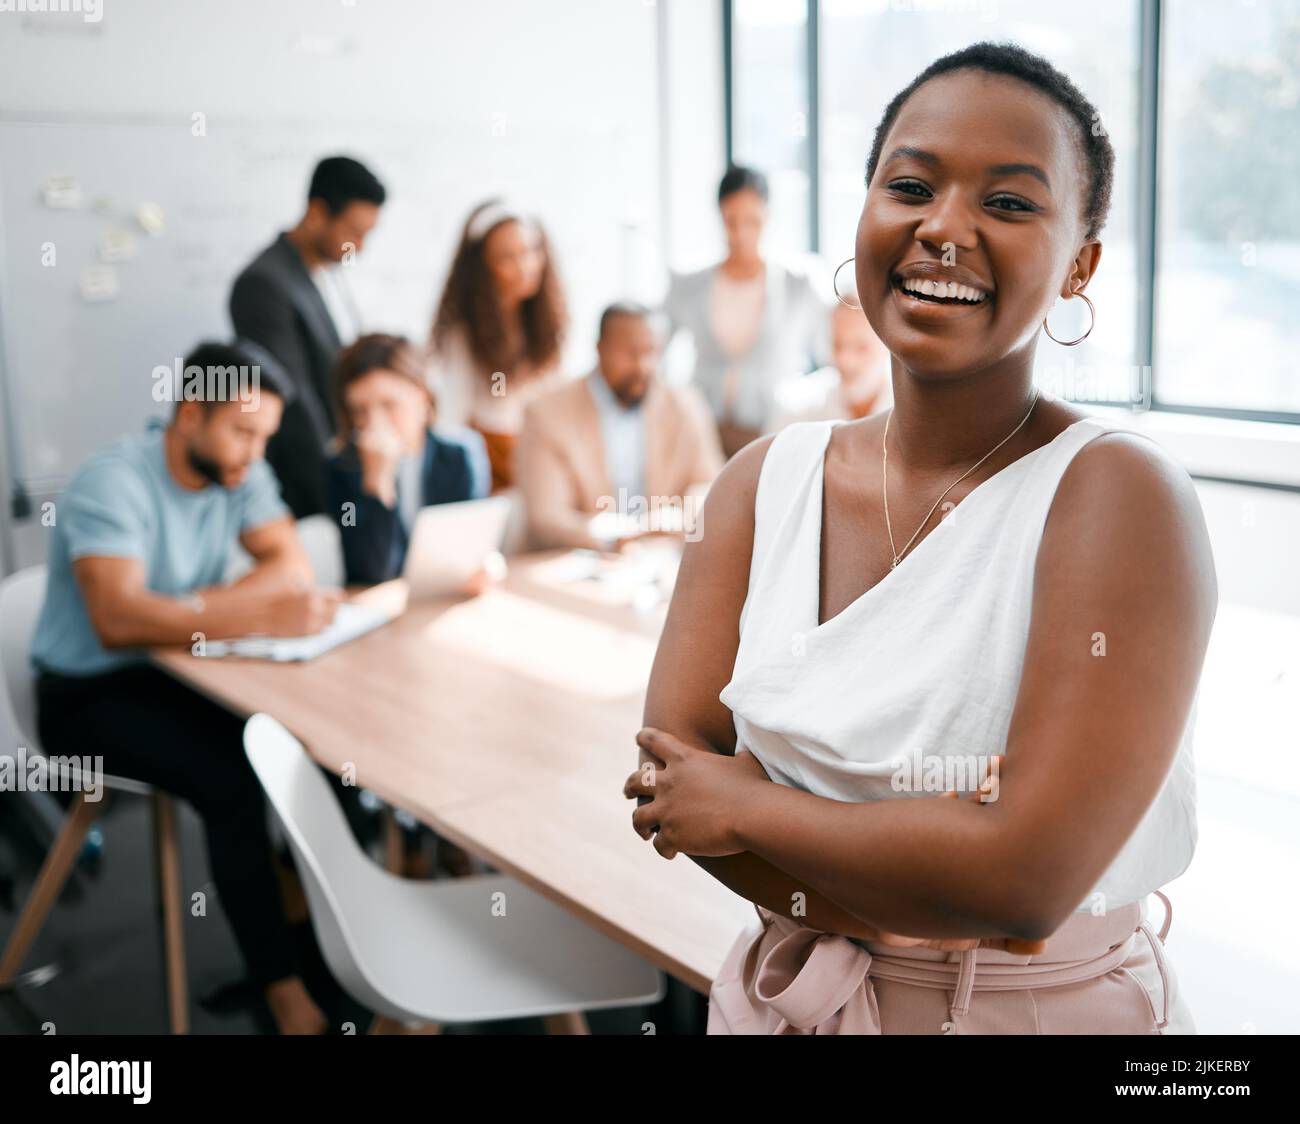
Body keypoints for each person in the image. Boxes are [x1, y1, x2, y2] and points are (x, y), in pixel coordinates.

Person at [624, 42, 1217, 1035]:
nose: (943, 227)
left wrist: (750, 807)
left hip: (1028, 1014)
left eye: (1011, 202)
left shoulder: (1117, 494)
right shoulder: (757, 484)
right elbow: (667, 785)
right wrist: (916, 897)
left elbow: (1025, 879)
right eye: (909, 185)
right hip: (781, 996)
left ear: (1080, 262)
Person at [31, 342, 341, 1034]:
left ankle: (306, 925)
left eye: (264, 436)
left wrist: (189, 611)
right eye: (242, 431)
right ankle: (284, 988)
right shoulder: (111, 481)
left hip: (178, 663)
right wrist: (245, 608)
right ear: (189, 413)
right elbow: (118, 620)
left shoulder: (240, 470)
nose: (255, 454)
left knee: (301, 736)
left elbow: (289, 565)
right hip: (84, 694)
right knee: (231, 776)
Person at [230, 155, 386, 517]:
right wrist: (341, 497)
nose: (360, 247)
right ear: (317, 212)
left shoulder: (330, 272)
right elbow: (296, 408)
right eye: (355, 232)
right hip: (305, 489)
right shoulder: (264, 283)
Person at [518, 303, 723, 553]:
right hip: (580, 559)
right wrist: (615, 537)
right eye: (630, 353)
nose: (642, 365)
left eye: (652, 352)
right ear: (600, 348)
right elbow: (547, 517)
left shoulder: (685, 405)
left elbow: (709, 486)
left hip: (663, 559)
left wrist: (678, 518)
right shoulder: (546, 412)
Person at [661, 165, 830, 458]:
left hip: (777, 434)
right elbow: (653, 348)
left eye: (752, 221)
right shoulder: (689, 286)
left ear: (768, 215)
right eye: (731, 221)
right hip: (705, 435)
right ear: (719, 216)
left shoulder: (800, 284)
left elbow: (832, 357)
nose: (741, 233)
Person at [325, 332, 491, 585]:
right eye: (360, 411)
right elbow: (370, 573)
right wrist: (377, 484)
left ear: (422, 397)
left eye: (389, 405)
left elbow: (471, 550)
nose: (375, 423)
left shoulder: (460, 455)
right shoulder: (342, 471)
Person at [428, 199, 568, 495]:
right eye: (507, 257)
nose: (524, 267)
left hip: (545, 467)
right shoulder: (461, 336)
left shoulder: (547, 323)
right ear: (482, 266)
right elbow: (451, 422)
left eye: (531, 251)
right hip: (494, 479)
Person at [771, 302, 893, 429]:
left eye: (861, 347)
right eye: (837, 344)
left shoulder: (908, 410)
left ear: (888, 345)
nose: (845, 360)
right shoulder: (798, 406)